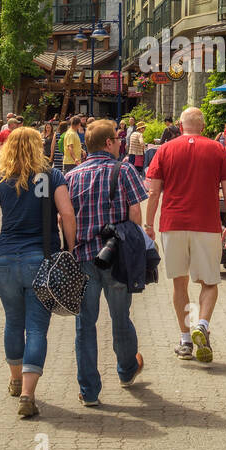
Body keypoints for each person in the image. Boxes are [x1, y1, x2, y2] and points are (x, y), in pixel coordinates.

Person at [0, 126, 76, 420]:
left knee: (13, 321)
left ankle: (14, 379)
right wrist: (69, 250)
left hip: (6, 259)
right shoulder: (51, 176)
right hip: (40, 260)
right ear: (38, 146)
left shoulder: (0, 178)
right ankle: (28, 395)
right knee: (36, 327)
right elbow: (67, 214)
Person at [67, 119, 147, 406]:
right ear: (109, 143)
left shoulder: (72, 175)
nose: (119, 142)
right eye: (116, 138)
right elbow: (136, 211)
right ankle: (126, 370)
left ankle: (89, 391)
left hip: (84, 258)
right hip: (117, 257)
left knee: (84, 325)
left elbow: (66, 217)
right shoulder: (123, 169)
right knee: (120, 317)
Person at [146, 107, 226, 363]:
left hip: (172, 223)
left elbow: (153, 193)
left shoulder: (165, 149)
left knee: (179, 283)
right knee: (209, 282)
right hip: (206, 225)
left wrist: (149, 225)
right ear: (204, 127)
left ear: (179, 125)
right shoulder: (217, 149)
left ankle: (185, 340)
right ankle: (202, 324)